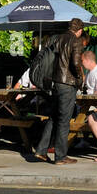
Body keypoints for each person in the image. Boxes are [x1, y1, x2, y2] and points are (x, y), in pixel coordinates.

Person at [31, 17, 87, 165]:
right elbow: (75, 63)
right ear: (79, 30)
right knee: (64, 121)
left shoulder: (57, 39)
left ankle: (41, 151)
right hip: (67, 84)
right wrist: (80, 79)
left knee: (54, 117)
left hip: (54, 83)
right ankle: (61, 156)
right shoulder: (76, 41)